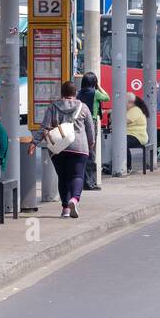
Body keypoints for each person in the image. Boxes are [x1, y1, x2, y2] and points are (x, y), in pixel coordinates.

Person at [29, 80, 95, 219]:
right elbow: (90, 128)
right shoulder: (83, 107)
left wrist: (34, 143)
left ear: (62, 93)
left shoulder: (53, 107)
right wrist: (91, 143)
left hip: (58, 148)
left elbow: (45, 127)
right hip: (78, 147)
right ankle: (74, 199)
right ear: (75, 93)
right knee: (77, 175)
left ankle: (65, 208)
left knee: (63, 177)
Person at [77, 72, 109, 190]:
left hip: (80, 123)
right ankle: (90, 182)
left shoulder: (79, 93)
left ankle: (85, 180)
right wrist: (98, 86)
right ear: (93, 83)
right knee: (91, 151)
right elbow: (107, 97)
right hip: (92, 122)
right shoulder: (95, 93)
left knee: (84, 151)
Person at [125, 92, 150, 172]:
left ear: (130, 102)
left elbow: (125, 121)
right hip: (132, 134)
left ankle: (128, 166)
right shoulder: (131, 110)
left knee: (122, 142)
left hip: (137, 136)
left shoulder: (135, 110)